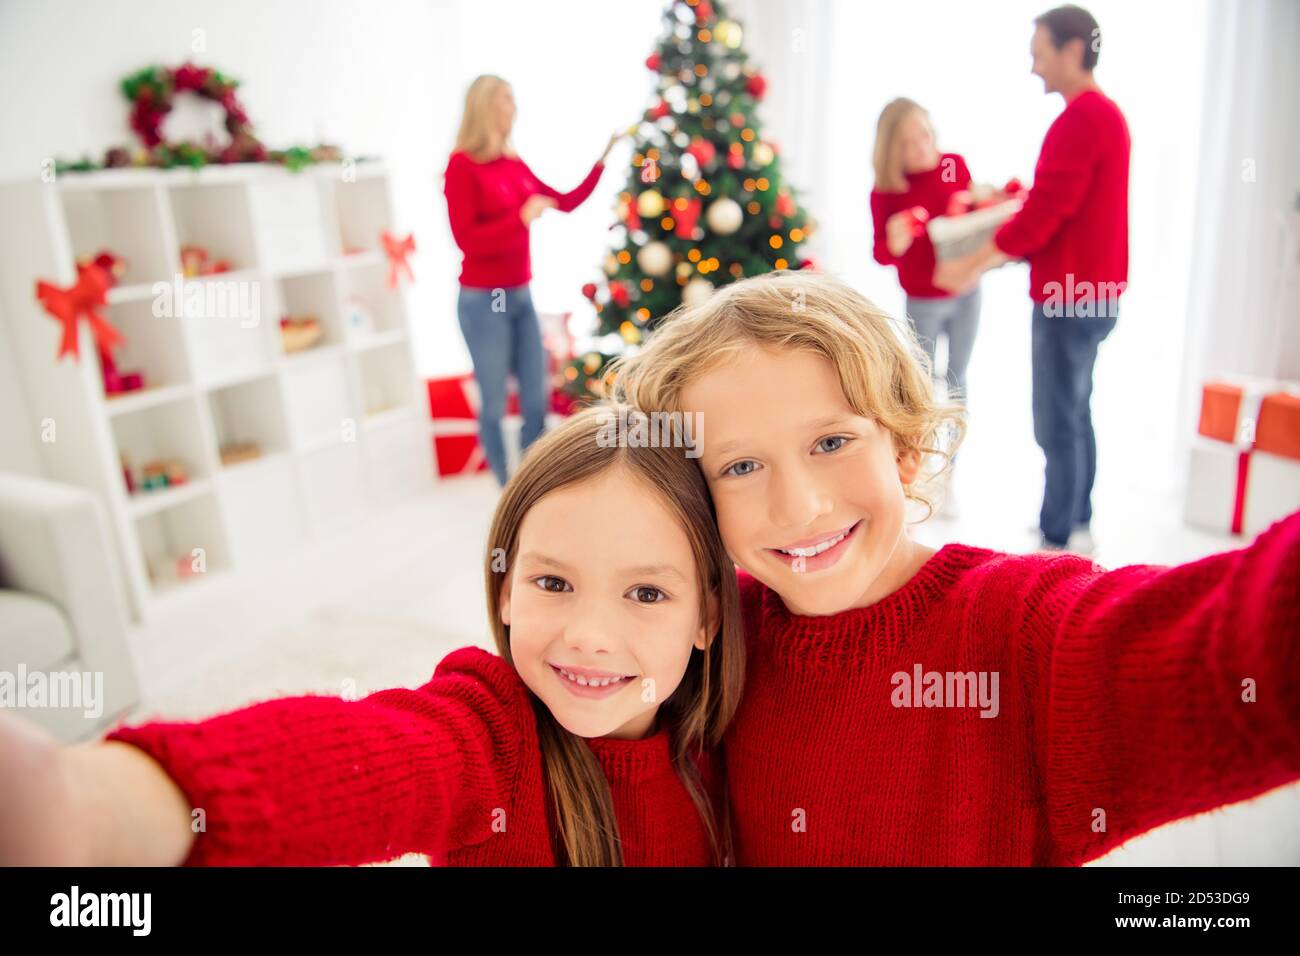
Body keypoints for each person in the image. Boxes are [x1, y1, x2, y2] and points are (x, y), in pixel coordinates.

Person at [614, 270, 1300, 865]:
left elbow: (1237, 639)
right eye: (740, 466)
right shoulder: (716, 629)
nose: (800, 507)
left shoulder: (1018, 630)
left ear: (906, 449)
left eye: (832, 441)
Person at [0, 404, 744, 867]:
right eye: (553, 582)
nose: (590, 635)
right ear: (505, 590)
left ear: (709, 615)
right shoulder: (491, 733)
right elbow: (367, 756)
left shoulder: (729, 735)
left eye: (646, 592)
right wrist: (93, 807)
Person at [934, 5, 1130, 552]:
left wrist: (970, 264)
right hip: (1096, 292)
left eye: (1038, 54)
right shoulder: (1103, 116)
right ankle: (1077, 520)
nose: (1033, 68)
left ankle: (1056, 538)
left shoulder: (1082, 118)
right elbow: (1061, 203)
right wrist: (1011, 202)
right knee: (1075, 408)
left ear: (1072, 50)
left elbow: (1046, 216)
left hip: (1070, 297)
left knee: (1054, 419)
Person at [444, 74, 622, 485]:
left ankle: (533, 485)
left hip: (520, 295)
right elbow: (467, 241)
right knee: (492, 403)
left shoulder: (513, 163)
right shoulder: (462, 167)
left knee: (535, 399)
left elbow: (566, 201)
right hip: (483, 301)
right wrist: (519, 218)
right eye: (507, 99)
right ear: (486, 106)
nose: (514, 108)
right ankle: (507, 490)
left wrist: (603, 159)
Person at [870, 97, 981, 520]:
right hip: (923, 300)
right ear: (891, 149)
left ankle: (949, 476)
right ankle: (918, 477)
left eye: (926, 135)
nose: (922, 147)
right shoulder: (887, 191)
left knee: (957, 382)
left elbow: (969, 214)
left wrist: (965, 210)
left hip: (968, 293)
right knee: (919, 389)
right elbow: (881, 251)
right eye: (909, 142)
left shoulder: (953, 165)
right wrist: (896, 241)